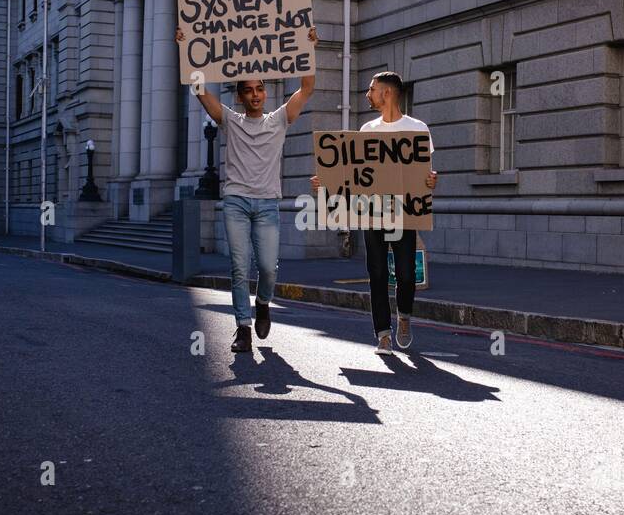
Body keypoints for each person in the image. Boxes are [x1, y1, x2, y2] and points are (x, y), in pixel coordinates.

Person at [177, 26, 318, 353]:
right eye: (249, 90)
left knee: (268, 267)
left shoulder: (280, 119)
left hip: (268, 204)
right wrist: (187, 50)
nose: (255, 94)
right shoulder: (229, 120)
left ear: (265, 92)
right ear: (240, 96)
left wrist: (309, 48)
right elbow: (199, 90)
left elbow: (307, 87)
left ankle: (264, 303)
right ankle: (242, 328)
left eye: (260, 89)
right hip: (237, 203)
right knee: (240, 266)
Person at [311, 72, 437, 352]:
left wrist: (431, 181)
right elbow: (351, 174)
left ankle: (404, 316)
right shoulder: (367, 130)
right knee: (377, 272)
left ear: (388, 93)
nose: (367, 94)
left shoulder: (417, 128)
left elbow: (424, 172)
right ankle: (382, 332)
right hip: (373, 211)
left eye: (372, 89)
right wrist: (326, 184)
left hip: (403, 212)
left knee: (405, 274)